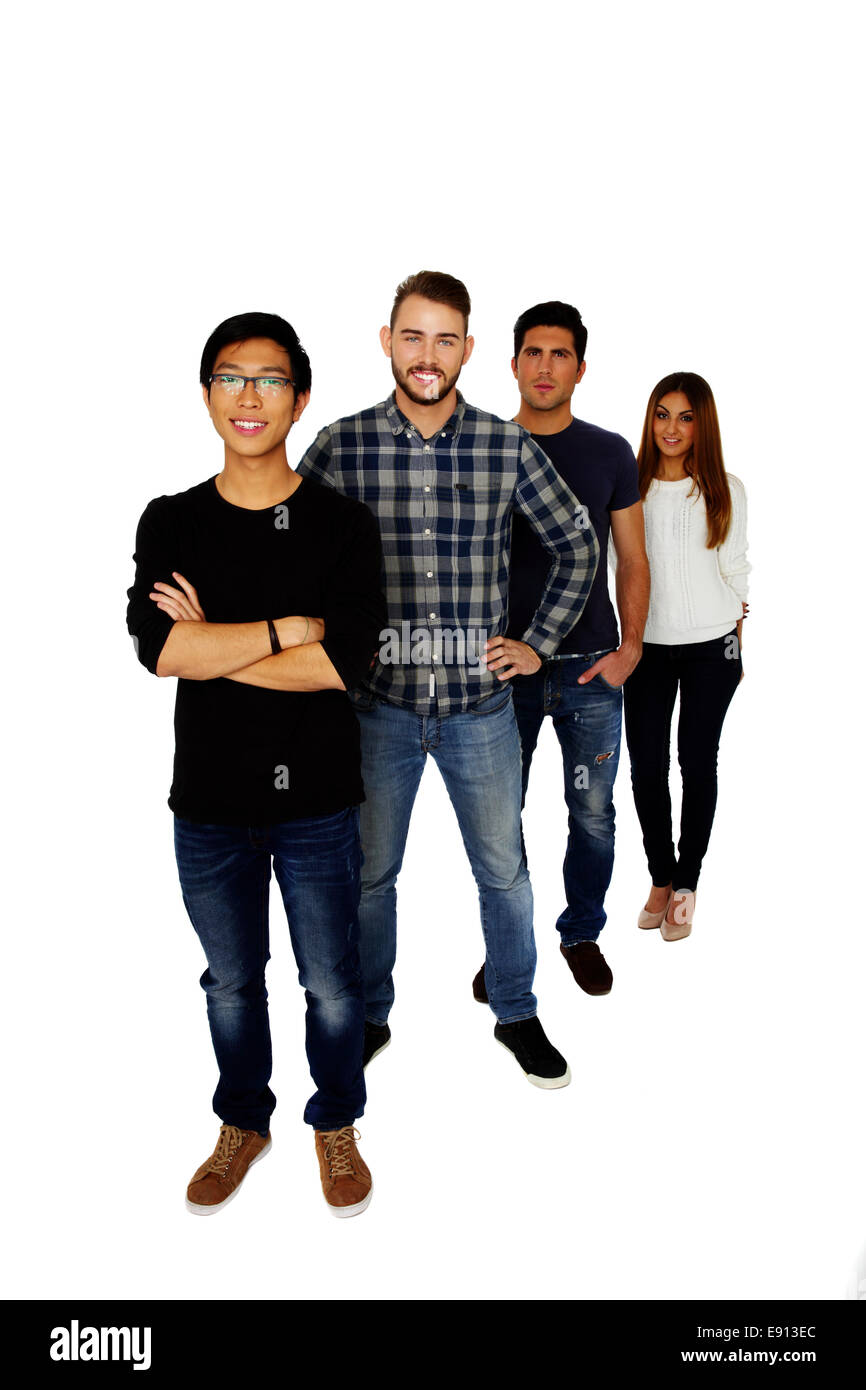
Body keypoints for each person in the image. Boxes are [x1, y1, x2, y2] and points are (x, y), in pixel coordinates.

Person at [297, 271, 599, 1089]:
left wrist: (535, 643)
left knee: (503, 869)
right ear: (387, 341)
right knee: (369, 874)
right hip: (376, 710)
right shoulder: (339, 445)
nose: (427, 355)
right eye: (411, 336)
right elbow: (293, 553)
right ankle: (366, 1013)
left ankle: (516, 1008)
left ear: (466, 349)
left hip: (480, 709)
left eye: (444, 339)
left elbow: (577, 543)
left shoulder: (507, 446)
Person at [126, 312, 387, 1217]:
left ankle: (337, 1121)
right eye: (231, 377)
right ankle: (245, 1119)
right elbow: (159, 653)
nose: (249, 395)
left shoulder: (343, 525)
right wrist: (285, 628)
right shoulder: (171, 520)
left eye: (270, 379)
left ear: (300, 398)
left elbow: (343, 664)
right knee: (231, 982)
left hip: (316, 800)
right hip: (207, 803)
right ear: (207, 394)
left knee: (330, 981)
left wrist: (215, 641)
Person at [472, 301, 648, 1004]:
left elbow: (631, 559)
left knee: (593, 814)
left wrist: (631, 648)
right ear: (513, 362)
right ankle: (508, 946)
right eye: (533, 352)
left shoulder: (609, 452)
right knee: (497, 818)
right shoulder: (484, 446)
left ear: (580, 366)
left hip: (590, 669)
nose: (545, 366)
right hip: (502, 672)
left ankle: (580, 933)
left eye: (560, 354)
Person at [623, 372, 749, 940]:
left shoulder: (726, 488)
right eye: (662, 414)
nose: (672, 428)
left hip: (710, 648)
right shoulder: (630, 488)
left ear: (703, 425)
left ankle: (687, 883)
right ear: (651, 421)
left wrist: (739, 627)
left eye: (686, 417)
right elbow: (615, 567)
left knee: (697, 763)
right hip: (646, 646)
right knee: (646, 766)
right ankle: (659, 874)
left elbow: (735, 564)